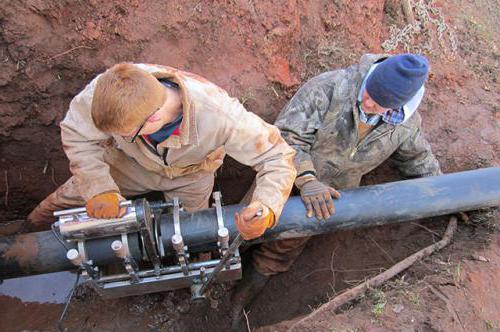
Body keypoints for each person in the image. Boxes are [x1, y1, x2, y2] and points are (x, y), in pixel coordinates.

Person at [231, 53, 441, 325]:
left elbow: (418, 160)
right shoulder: (330, 87)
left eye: (377, 103)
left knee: (278, 252)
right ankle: (212, 283)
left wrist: (449, 196)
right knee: (241, 230)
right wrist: (307, 180)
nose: (366, 102)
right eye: (367, 93)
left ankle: (238, 304)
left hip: (325, 203)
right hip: (278, 180)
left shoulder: (405, 125)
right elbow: (285, 136)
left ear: (396, 106)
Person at [27, 63, 296, 245]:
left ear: (153, 118)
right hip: (125, 165)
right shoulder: (106, 92)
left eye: (128, 132)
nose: (120, 135)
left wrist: (266, 207)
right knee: (55, 208)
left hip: (191, 176)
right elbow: (78, 134)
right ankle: (26, 236)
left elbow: (277, 156)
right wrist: (98, 188)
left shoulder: (221, 116)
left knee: (196, 234)